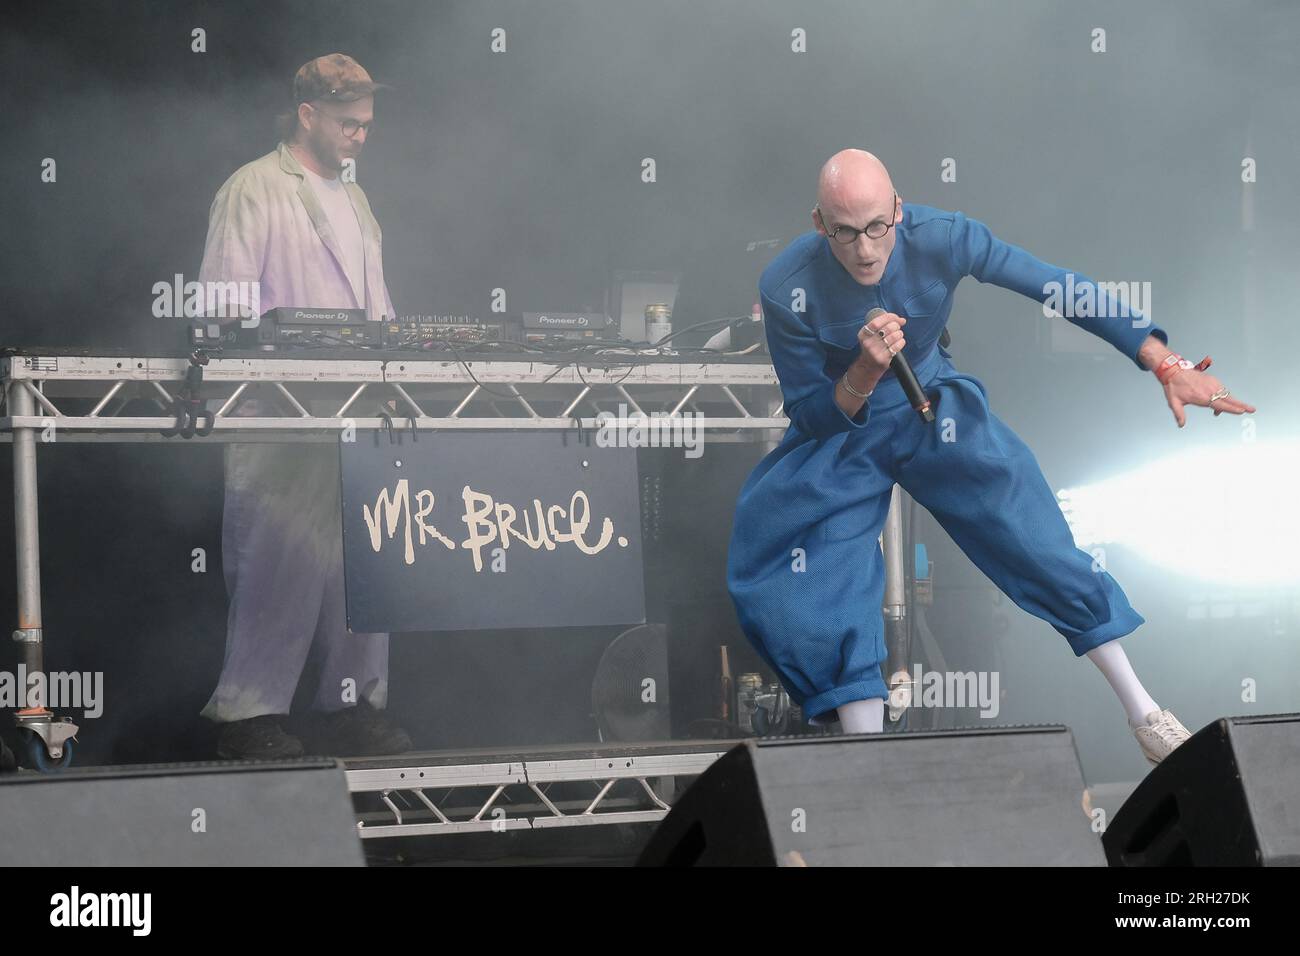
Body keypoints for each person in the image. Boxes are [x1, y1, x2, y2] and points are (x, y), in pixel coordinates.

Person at [726, 149, 1256, 764]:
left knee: (1029, 530)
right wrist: (864, 372)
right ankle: (863, 766)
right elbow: (811, 413)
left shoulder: (944, 238)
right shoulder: (786, 283)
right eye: (845, 233)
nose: (866, 249)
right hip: (846, 428)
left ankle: (1145, 714)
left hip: (931, 408)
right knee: (814, 569)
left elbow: (1058, 286)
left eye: (877, 227)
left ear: (898, 211)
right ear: (820, 225)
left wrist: (1162, 360)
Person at [197, 53, 411, 758]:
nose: (360, 136)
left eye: (368, 125)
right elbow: (221, 309)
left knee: (365, 561)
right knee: (277, 562)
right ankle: (247, 717)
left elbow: (376, 310)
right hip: (279, 411)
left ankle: (352, 707)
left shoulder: (357, 199)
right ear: (307, 114)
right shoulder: (253, 189)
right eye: (348, 123)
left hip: (356, 412)